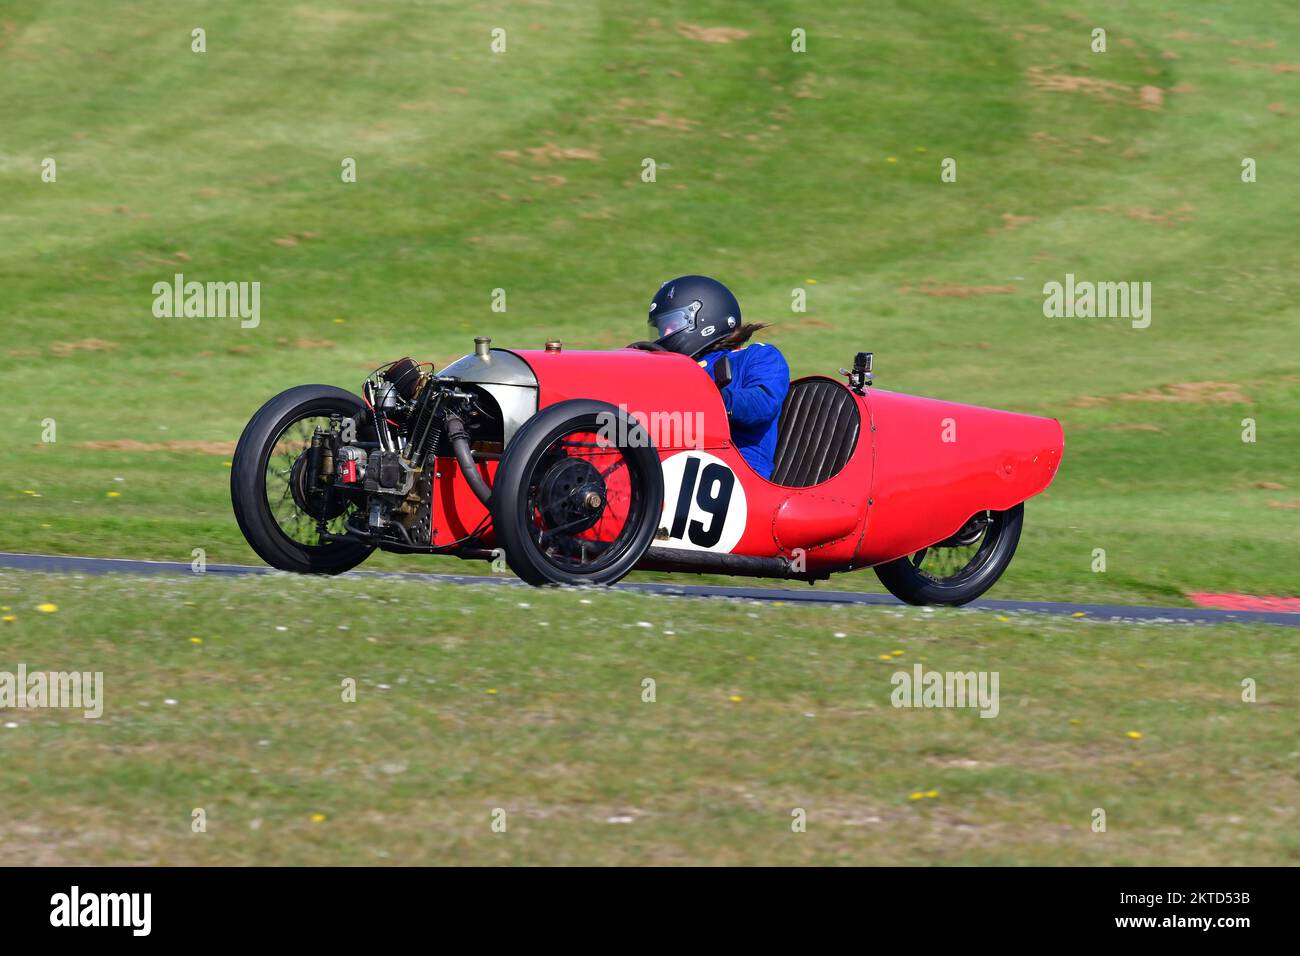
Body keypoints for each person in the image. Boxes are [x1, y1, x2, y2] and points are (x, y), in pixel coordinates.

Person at [646, 275, 790, 480]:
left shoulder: (757, 355)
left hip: (739, 479)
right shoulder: (673, 370)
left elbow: (763, 403)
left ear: (707, 319)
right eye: (661, 327)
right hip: (673, 467)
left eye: (672, 323)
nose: (665, 333)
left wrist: (712, 399)